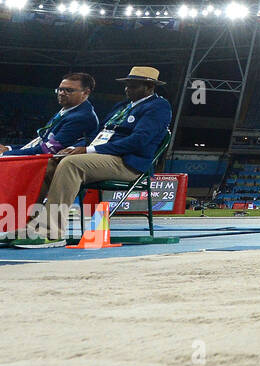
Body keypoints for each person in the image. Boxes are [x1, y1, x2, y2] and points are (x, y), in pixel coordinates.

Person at [19, 66, 172, 248]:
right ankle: (29, 225)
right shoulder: (122, 106)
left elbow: (138, 141)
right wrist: (75, 148)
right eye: (127, 85)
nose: (127, 89)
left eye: (133, 86)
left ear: (149, 87)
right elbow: (98, 135)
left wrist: (89, 151)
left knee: (71, 164)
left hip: (128, 162)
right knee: (50, 163)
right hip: (103, 157)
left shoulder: (158, 107)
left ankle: (51, 231)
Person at [1, 72, 99, 158]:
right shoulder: (68, 110)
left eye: (69, 90)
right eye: (60, 89)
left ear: (86, 92)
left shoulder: (81, 117)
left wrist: (6, 154)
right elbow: (41, 143)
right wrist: (8, 148)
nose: (61, 93)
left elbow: (48, 149)